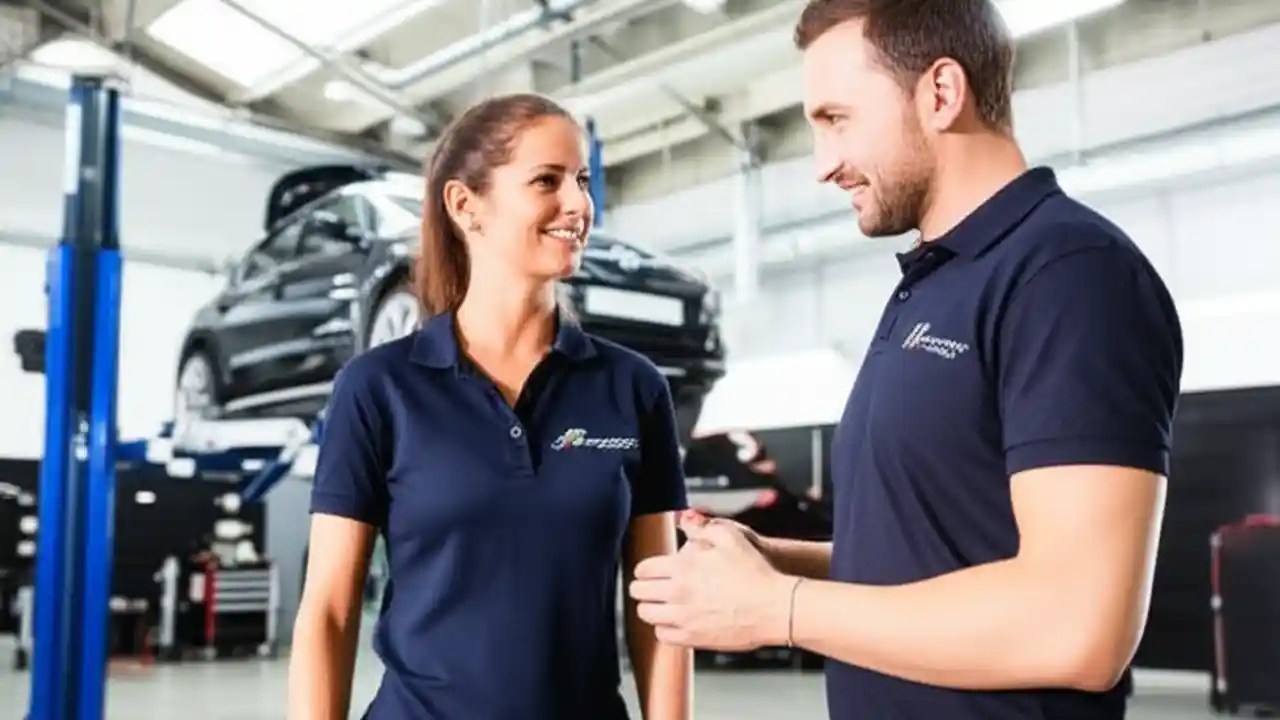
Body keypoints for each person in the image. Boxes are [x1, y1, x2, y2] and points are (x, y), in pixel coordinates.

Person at [628, 1, 1183, 719]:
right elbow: (938, 561)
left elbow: (1078, 625)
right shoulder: (935, 282)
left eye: (837, 119)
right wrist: (775, 562)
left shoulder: (1069, 273)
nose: (823, 165)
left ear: (941, 93)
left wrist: (782, 609)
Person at [288, 93, 692, 720]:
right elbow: (330, 612)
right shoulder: (377, 389)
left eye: (582, 181)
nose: (579, 204)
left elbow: (660, 608)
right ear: (465, 205)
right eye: (546, 180)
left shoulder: (633, 388)